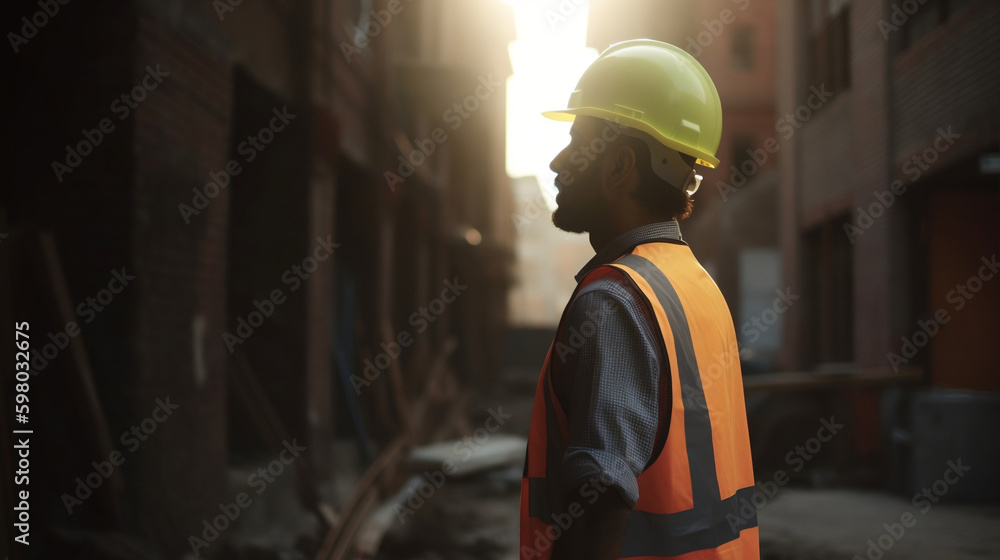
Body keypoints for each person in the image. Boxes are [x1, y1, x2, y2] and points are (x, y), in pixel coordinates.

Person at [519, 40, 759, 560]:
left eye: (577, 141)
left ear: (620, 165)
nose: (559, 161)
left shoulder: (612, 301)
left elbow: (600, 495)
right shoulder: (696, 285)